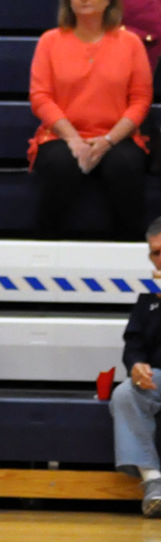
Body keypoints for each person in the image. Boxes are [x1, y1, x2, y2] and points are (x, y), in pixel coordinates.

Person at [28, 0, 152, 240]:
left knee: (124, 166)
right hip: (61, 137)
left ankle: (128, 255)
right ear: (68, 0)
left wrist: (108, 140)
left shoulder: (130, 43)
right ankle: (46, 249)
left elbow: (141, 99)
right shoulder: (50, 41)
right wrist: (73, 140)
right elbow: (40, 97)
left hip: (117, 137)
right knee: (61, 165)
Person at [109, 217, 161, 518]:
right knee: (126, 393)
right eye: (155, 253)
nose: (160, 259)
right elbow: (134, 339)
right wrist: (137, 365)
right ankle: (153, 483)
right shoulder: (148, 291)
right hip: (158, 377)